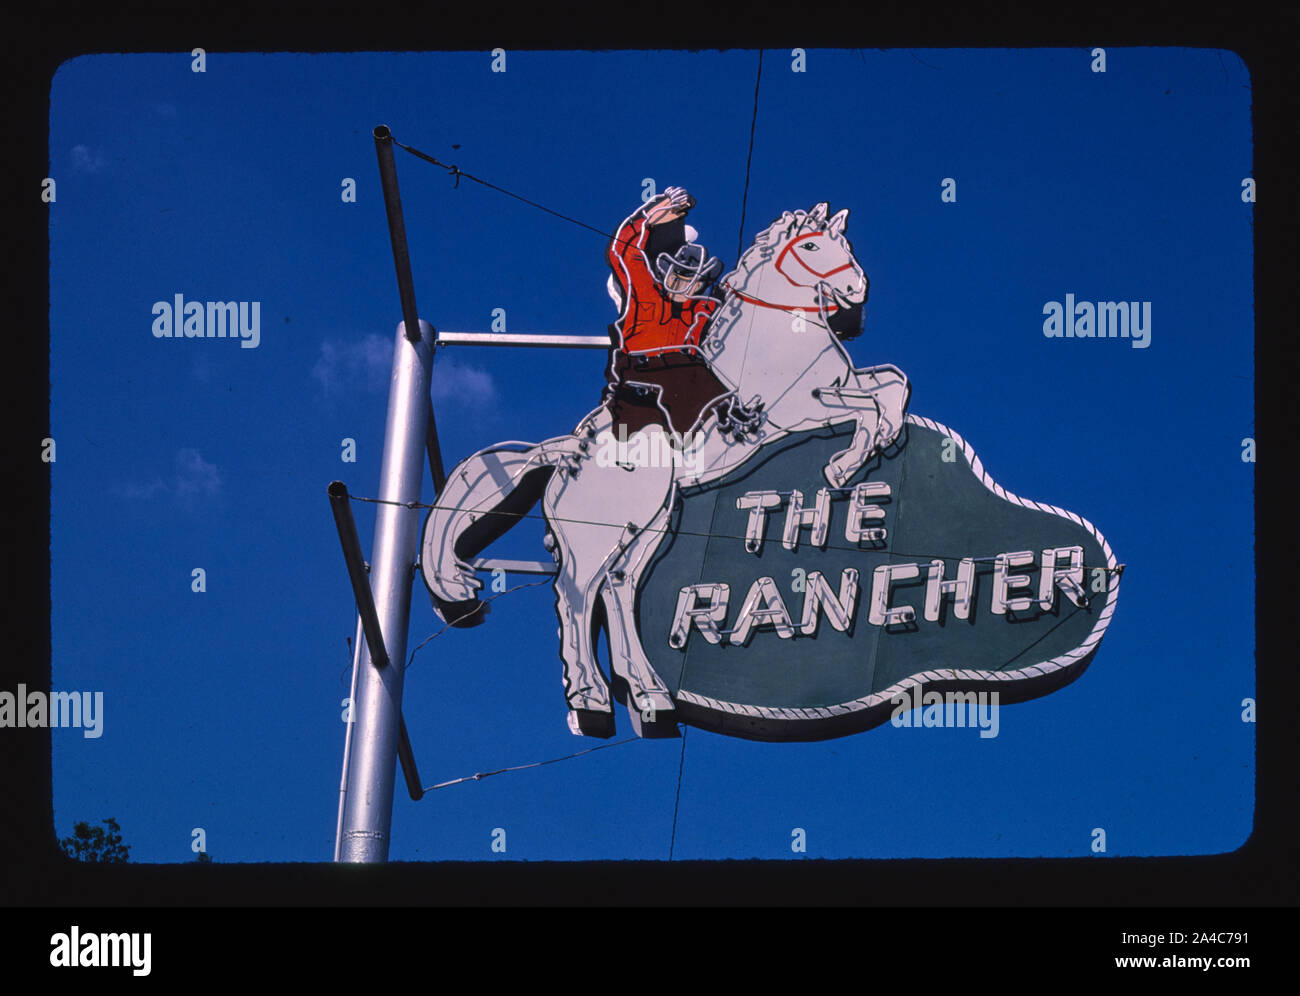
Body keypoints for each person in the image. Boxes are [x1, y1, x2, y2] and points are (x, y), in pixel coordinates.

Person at [600, 186, 736, 442]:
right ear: (667, 272)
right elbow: (623, 252)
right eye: (677, 273)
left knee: (723, 405)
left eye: (690, 277)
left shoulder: (704, 309)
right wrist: (655, 214)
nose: (681, 282)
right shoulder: (646, 293)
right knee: (626, 440)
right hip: (640, 378)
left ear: (700, 284)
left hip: (690, 383)